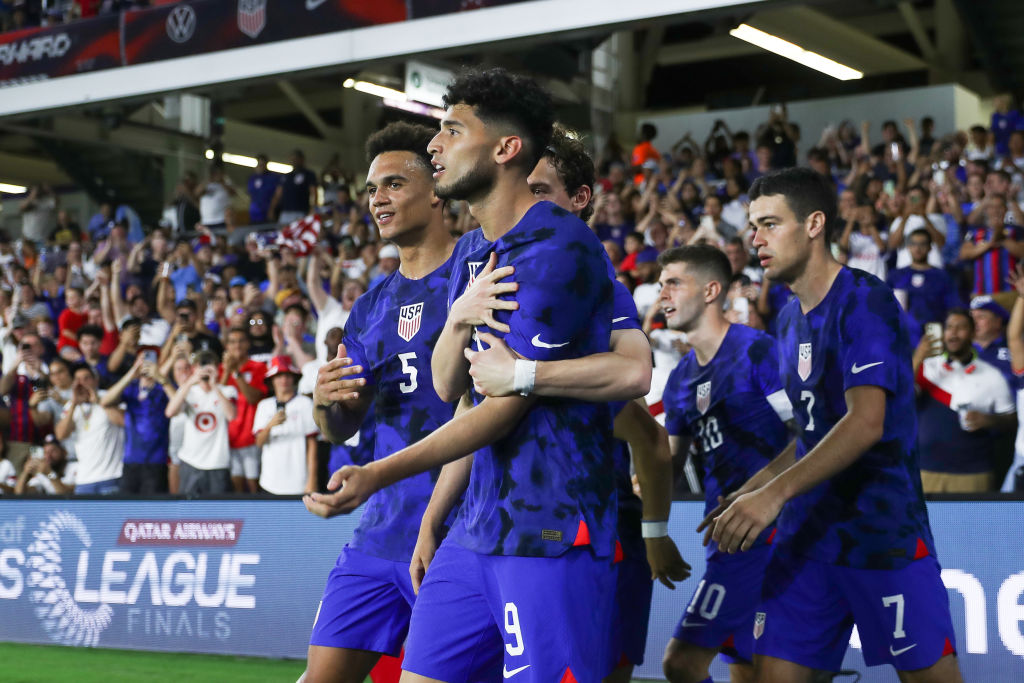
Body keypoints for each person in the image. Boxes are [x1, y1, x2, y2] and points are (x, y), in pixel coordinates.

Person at [307, 68, 637, 682]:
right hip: (474, 527)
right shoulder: (479, 252)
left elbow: (501, 408)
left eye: (452, 131)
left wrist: (376, 473)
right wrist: (457, 321)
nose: (436, 146)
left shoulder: (557, 248)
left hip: (549, 526)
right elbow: (449, 389)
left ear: (505, 149)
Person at [452, 127, 686, 683]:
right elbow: (467, 410)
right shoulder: (494, 281)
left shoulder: (601, 285)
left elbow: (641, 417)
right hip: (495, 523)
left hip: (582, 524)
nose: (522, 204)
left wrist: (653, 532)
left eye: (539, 190)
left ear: (579, 199)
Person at [709, 168, 961, 681]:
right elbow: (811, 429)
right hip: (808, 541)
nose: (754, 238)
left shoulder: (865, 301)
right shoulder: (785, 316)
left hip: (881, 536)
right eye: (752, 226)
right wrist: (754, 487)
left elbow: (865, 423)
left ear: (814, 224)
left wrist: (773, 496)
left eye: (770, 223)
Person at [302, 121, 461, 683]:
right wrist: (327, 401)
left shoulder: (476, 272)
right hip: (380, 527)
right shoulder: (370, 306)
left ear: (438, 188)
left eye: (394, 183)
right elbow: (339, 427)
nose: (378, 200)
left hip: (457, 530)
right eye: (372, 189)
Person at [657, 245, 793, 683]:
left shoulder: (757, 351)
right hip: (725, 539)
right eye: (661, 285)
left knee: (681, 663)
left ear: (712, 290)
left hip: (772, 536)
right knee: (748, 671)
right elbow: (671, 464)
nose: (663, 295)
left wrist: (761, 488)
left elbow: (812, 432)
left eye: (674, 283)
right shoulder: (680, 377)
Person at [912, 308, 1015, 492]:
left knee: (973, 523)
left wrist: (989, 420)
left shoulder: (992, 375)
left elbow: (1012, 420)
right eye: (949, 327)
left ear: (973, 332)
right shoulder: (926, 368)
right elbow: (899, 396)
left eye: (961, 327)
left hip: (973, 473)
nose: (953, 333)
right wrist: (918, 356)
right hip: (925, 470)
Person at [164, 349, 237, 495]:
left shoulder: (227, 390)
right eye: (200, 365)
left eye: (209, 365)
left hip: (218, 462)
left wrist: (215, 385)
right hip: (190, 462)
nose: (205, 369)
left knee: (218, 515)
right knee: (188, 513)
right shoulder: (189, 391)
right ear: (194, 368)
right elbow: (170, 412)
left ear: (217, 368)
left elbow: (231, 415)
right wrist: (191, 381)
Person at [101, 352, 174, 494]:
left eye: (150, 362)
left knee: (152, 512)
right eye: (142, 361)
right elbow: (105, 401)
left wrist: (160, 377)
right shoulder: (131, 388)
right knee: (126, 509)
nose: (146, 365)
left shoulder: (162, 388)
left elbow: (178, 404)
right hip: (131, 460)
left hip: (156, 461)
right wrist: (130, 374)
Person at [54, 364, 124, 495]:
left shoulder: (107, 397)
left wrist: (98, 401)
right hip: (84, 479)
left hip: (111, 475)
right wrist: (74, 404)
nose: (82, 383)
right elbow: (61, 434)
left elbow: (122, 421)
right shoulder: (71, 405)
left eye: (86, 378)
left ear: (95, 380)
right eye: (78, 379)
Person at [253, 356, 318, 495]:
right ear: (272, 380)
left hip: (299, 480)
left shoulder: (305, 403)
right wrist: (270, 426)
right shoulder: (264, 406)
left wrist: (312, 480)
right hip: (270, 480)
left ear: (293, 378)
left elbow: (312, 445)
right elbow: (259, 442)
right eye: (279, 376)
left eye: (287, 375)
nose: (283, 380)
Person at [222, 326, 268, 493]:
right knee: (236, 486)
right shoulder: (221, 369)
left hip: (250, 437)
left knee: (253, 486)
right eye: (232, 342)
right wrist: (227, 371)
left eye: (241, 341)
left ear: (248, 344)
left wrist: (236, 373)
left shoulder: (258, 367)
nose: (237, 345)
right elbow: (217, 396)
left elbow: (253, 397)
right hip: (228, 437)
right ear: (226, 346)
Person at [888, 231, 958, 332]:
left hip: (935, 331)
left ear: (930, 247)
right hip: (904, 332)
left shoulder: (942, 276)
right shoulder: (895, 275)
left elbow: (952, 306)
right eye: (913, 244)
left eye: (922, 244)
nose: (918, 248)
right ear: (908, 247)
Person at [248, 154, 281, 224]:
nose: (260, 167)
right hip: (255, 214)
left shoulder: (273, 177)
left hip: (268, 212)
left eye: (262, 164)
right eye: (259, 164)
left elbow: (277, 195)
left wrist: (272, 210)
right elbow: (251, 196)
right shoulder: (252, 178)